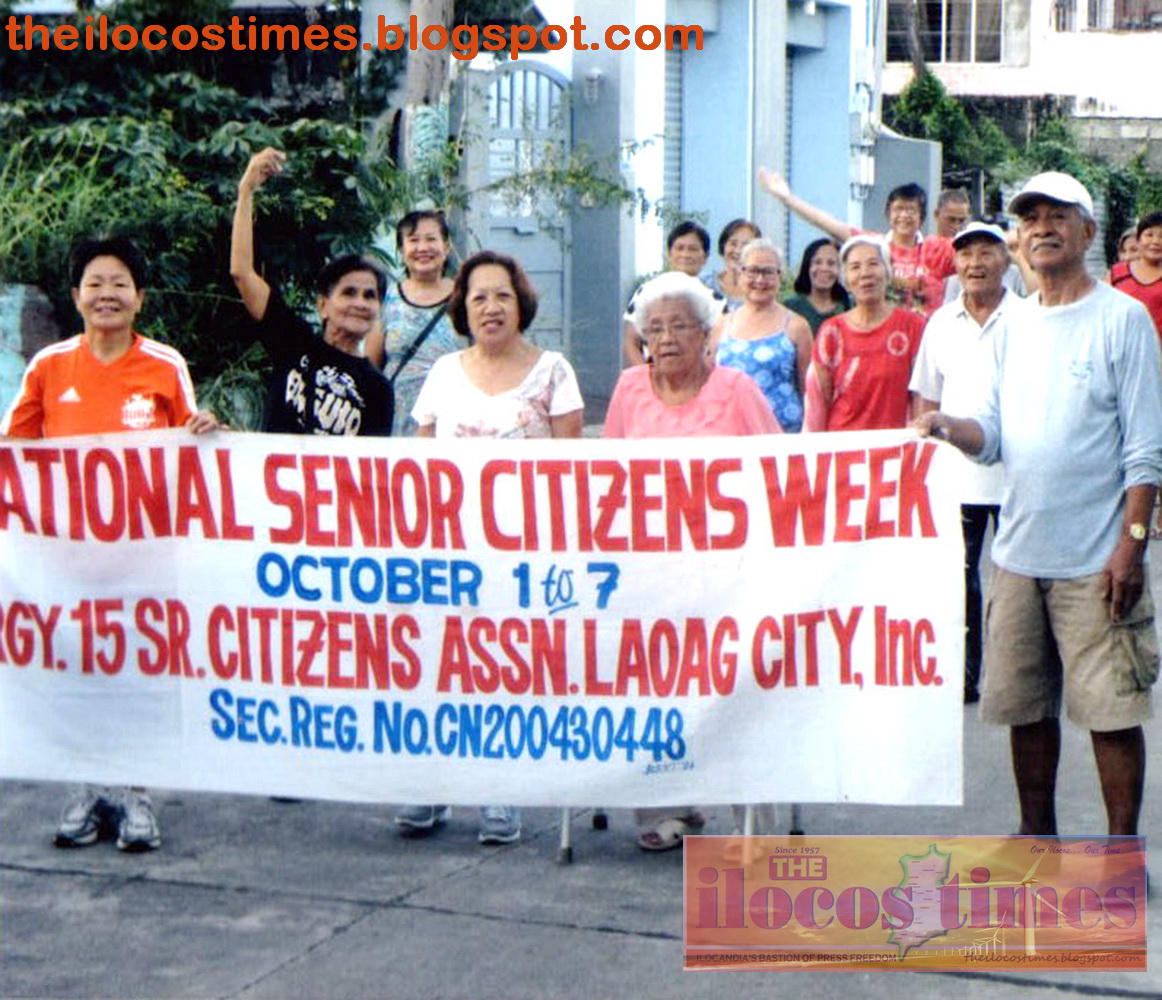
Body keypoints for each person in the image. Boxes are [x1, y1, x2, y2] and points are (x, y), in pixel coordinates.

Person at [913, 171, 1162, 839]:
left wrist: (1130, 547)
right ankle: (1036, 836)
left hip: (1099, 561)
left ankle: (1118, 848)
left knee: (1111, 713)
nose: (1044, 227)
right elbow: (989, 437)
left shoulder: (1123, 319)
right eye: (1032, 218)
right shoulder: (1010, 324)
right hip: (1018, 559)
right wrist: (945, 426)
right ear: (1020, 236)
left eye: (1060, 216)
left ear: (1088, 232)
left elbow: (1146, 452)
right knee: (1025, 709)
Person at [1, 235, 220, 852]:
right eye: (95, 283)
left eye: (119, 283)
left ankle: (138, 795)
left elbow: (193, 452)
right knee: (73, 675)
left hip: (143, 561)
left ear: (140, 298)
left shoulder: (164, 365)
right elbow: (13, 453)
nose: (107, 294)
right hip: (67, 565)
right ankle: (84, 789)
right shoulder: (48, 369)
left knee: (141, 679)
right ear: (76, 297)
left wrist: (206, 432)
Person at [402, 250, 583, 844]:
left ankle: (500, 792)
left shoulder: (553, 371)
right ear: (462, 307)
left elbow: (572, 471)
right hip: (450, 549)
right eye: (478, 296)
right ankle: (430, 788)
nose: (490, 307)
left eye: (501, 294)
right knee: (440, 667)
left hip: (524, 550)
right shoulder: (443, 373)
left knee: (504, 668)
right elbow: (419, 467)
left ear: (521, 301)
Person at [603, 271, 779, 849]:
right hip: (651, 569)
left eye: (680, 324)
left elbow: (780, 470)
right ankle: (665, 809)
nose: (667, 337)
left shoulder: (735, 389)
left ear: (706, 333)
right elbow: (605, 479)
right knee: (655, 687)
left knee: (734, 689)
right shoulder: (630, 389)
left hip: (729, 570)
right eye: (655, 328)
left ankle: (749, 817)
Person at [909, 222, 1018, 704]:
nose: (975, 263)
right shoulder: (940, 323)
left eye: (986, 252)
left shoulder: (1029, 318)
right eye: (966, 254)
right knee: (961, 581)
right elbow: (925, 398)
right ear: (954, 265)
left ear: (1007, 260)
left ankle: (1021, 677)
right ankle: (967, 678)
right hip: (959, 476)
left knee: (1018, 585)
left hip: (1019, 477)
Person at [231, 147, 393, 437]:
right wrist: (246, 191)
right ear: (323, 306)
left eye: (370, 296)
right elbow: (242, 273)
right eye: (349, 293)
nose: (360, 302)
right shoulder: (293, 342)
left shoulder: (378, 389)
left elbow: (371, 473)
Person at [759, 168, 955, 316]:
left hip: (926, 346)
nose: (904, 216)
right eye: (898, 209)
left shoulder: (936, 249)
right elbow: (829, 224)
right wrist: (787, 199)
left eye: (911, 210)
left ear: (922, 217)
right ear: (888, 214)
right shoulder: (873, 246)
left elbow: (977, 254)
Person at [805, 234, 926, 432]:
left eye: (873, 264)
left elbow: (921, 394)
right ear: (846, 280)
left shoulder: (913, 326)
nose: (865, 273)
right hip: (842, 451)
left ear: (887, 272)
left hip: (896, 451)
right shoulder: (831, 332)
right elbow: (817, 404)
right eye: (855, 267)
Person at [364, 209, 458, 435]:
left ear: (445, 247)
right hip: (397, 426)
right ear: (401, 250)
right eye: (413, 240)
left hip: (451, 425)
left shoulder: (465, 298)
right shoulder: (387, 300)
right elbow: (370, 369)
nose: (423, 248)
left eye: (431, 239)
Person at [712, 238, 813, 432]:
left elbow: (808, 390)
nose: (760, 280)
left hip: (783, 435)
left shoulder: (796, 326)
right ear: (741, 274)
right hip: (730, 432)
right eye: (753, 271)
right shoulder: (721, 324)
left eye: (768, 272)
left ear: (779, 277)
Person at [623, 221, 726, 365]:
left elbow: (716, 347)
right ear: (670, 253)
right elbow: (631, 342)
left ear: (705, 257)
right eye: (680, 248)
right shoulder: (647, 292)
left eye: (693, 249)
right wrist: (645, 378)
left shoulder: (715, 301)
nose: (685, 254)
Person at [783, 237, 851, 334]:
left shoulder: (848, 306)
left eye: (831, 263)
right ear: (807, 267)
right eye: (817, 262)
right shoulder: (791, 307)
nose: (824, 268)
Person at [1110, 211, 1162, 337]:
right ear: (1138, 240)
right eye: (1149, 235)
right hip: (1119, 347)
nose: (1156, 241)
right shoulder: (1117, 273)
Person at [704, 218, 762, 309]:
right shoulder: (705, 284)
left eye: (746, 246)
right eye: (733, 243)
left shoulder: (761, 290)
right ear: (723, 246)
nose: (738, 251)